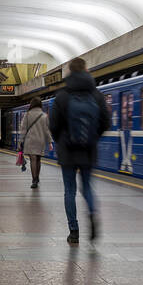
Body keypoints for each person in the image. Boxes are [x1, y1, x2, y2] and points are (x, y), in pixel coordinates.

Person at [49, 58, 110, 244]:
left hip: (67, 151)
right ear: (86, 70)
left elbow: (53, 125)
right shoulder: (97, 95)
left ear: (70, 71)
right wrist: (92, 138)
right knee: (87, 188)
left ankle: (73, 231)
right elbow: (106, 122)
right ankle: (92, 216)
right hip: (88, 150)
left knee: (69, 190)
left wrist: (61, 140)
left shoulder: (62, 96)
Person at [19, 96, 50, 188]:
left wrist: (20, 141)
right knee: (38, 159)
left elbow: (23, 129)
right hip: (40, 141)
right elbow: (47, 130)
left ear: (31, 105)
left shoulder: (27, 115)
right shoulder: (44, 115)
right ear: (40, 105)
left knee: (33, 159)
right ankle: (37, 178)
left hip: (30, 140)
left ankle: (34, 180)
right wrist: (50, 142)